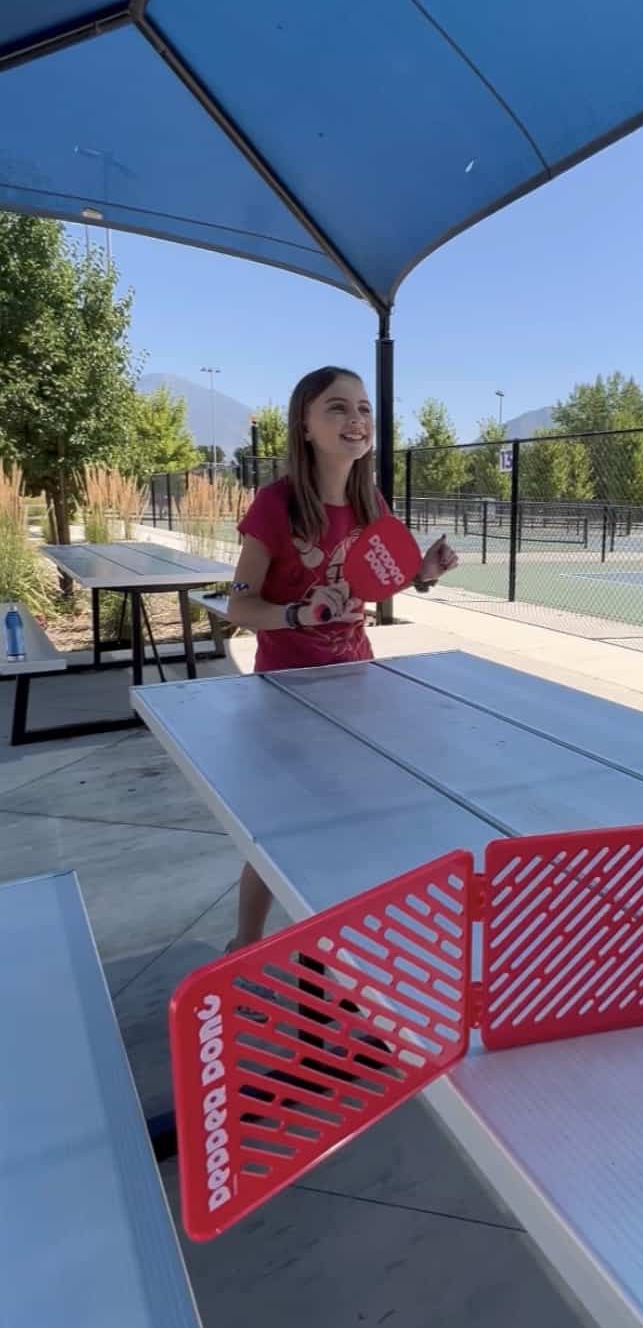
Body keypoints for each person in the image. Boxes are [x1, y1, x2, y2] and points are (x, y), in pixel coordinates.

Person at [225, 364, 457, 946]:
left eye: (362, 408)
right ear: (304, 425)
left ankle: (338, 950)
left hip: (357, 678)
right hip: (288, 688)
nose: (355, 419)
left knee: (354, 819)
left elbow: (374, 582)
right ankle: (244, 946)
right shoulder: (275, 506)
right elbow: (238, 606)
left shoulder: (368, 499)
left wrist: (422, 575)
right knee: (282, 827)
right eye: (337, 407)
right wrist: (295, 615)